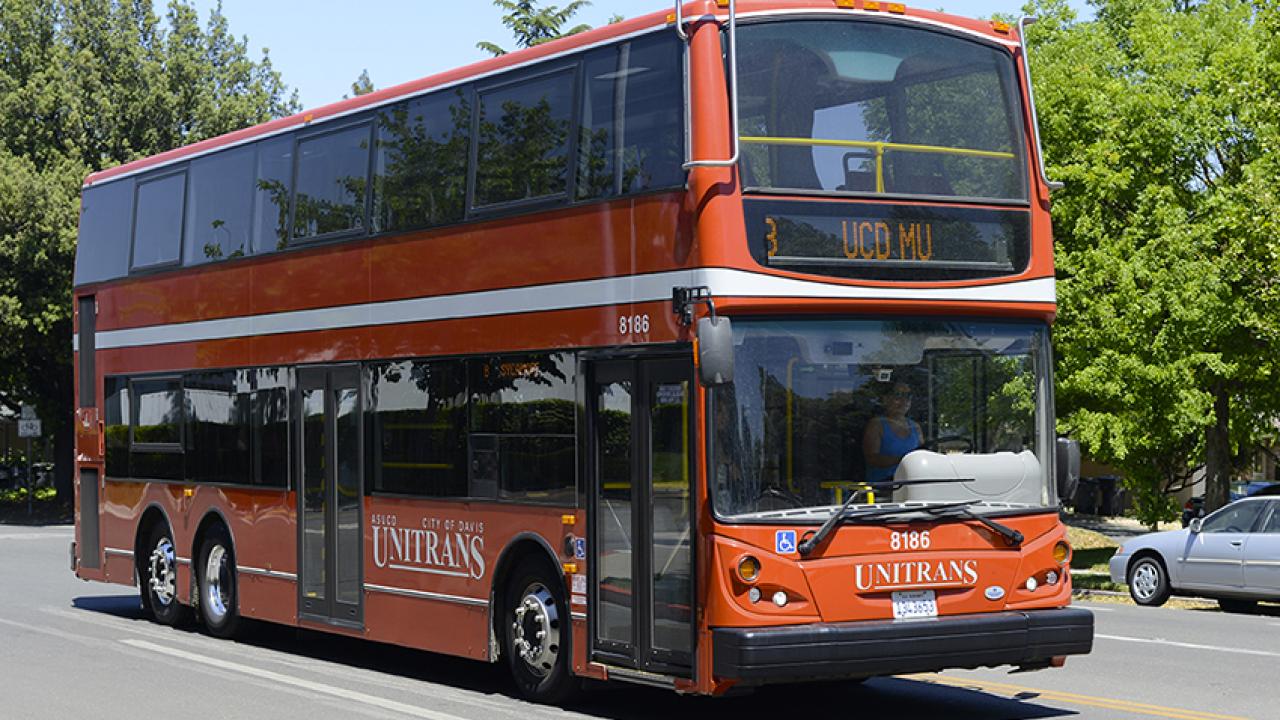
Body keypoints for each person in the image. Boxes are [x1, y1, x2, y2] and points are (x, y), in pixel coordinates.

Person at [862, 381, 922, 485]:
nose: (904, 401)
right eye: (898, 396)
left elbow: (923, 455)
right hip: (883, 488)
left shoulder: (915, 427)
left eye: (908, 396)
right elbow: (872, 458)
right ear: (886, 399)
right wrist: (904, 460)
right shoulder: (877, 425)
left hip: (913, 486)